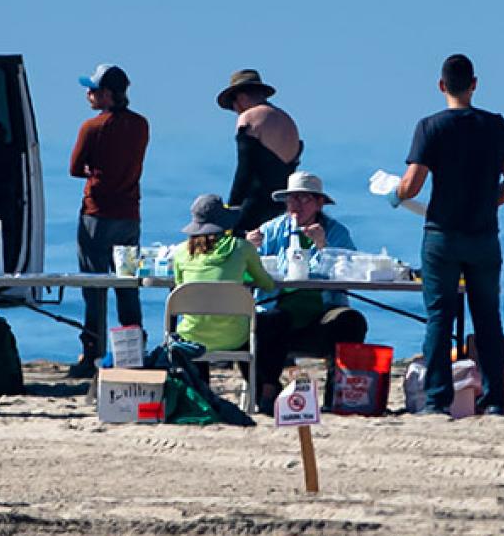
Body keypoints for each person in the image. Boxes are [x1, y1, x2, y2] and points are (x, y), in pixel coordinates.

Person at [394, 54, 504, 416]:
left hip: (442, 235)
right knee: (488, 318)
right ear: (475, 84)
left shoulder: (430, 127)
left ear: (441, 85)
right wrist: (488, 203)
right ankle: (495, 399)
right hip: (483, 235)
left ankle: (437, 400)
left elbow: (412, 185)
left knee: (439, 316)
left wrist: (396, 193)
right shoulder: (497, 126)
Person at [245, 171, 368, 409]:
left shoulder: (336, 232)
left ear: (319, 203)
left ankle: (337, 395)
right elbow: (249, 270)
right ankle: (268, 390)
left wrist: (324, 247)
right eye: (292, 199)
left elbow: (351, 270)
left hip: (321, 315)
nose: (296, 206)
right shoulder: (271, 230)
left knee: (350, 320)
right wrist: (248, 248)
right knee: (269, 320)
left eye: (304, 199)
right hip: (278, 310)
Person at [65, 64, 149, 379]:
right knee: (127, 285)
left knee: (94, 284)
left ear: (107, 94)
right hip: (129, 213)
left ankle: (93, 352)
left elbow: (75, 167)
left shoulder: (92, 127)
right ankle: (133, 350)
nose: (88, 94)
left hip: (97, 213)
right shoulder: (141, 125)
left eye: (93, 90)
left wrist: (93, 170)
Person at [171, 194, 275, 351]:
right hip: (234, 337)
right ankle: (257, 375)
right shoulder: (243, 247)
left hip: (191, 336)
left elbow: (181, 289)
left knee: (195, 327)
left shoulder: (179, 252)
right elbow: (267, 285)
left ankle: (197, 375)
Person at [217, 69, 302, 233]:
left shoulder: (249, 117)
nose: (235, 110)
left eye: (233, 104)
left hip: (254, 203)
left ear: (241, 97)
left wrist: (232, 206)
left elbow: (245, 168)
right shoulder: (287, 119)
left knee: (233, 242)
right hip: (281, 204)